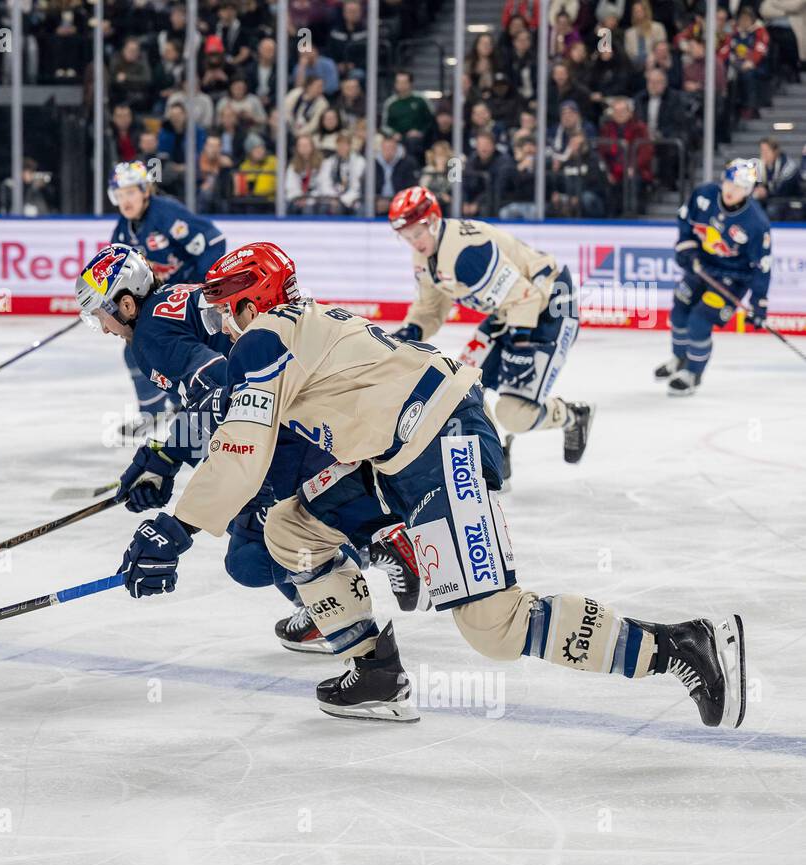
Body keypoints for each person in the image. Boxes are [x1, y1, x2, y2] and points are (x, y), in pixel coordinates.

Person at [113, 241, 746, 729]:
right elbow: (245, 431)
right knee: (290, 526)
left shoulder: (263, 340)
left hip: (444, 445)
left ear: (250, 300)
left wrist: (176, 527)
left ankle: (680, 646)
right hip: (403, 451)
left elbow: (241, 445)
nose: (221, 322)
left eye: (226, 308)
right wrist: (170, 463)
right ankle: (375, 672)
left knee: (494, 627)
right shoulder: (297, 324)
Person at [77, 243, 421, 650]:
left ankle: (372, 543)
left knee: (257, 552)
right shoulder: (167, 304)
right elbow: (208, 398)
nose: (102, 327)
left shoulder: (149, 336)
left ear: (127, 305)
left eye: (100, 314)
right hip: (303, 405)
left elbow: (220, 389)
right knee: (251, 553)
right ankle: (354, 562)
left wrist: (171, 468)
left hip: (282, 423)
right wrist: (163, 457)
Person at [388, 187, 594, 475]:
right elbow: (431, 307)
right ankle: (498, 451)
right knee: (462, 387)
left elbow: (527, 297)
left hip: (551, 305)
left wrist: (520, 346)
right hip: (514, 309)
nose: (414, 241)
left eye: (418, 231)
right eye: (406, 235)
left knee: (515, 414)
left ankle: (573, 415)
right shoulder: (426, 255)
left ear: (434, 219)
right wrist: (409, 333)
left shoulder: (466, 254)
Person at [108, 160, 225, 428]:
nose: (125, 200)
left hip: (186, 299)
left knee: (159, 349)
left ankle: (170, 411)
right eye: (119, 194)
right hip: (162, 299)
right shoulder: (123, 229)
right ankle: (168, 410)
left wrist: (203, 289)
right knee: (139, 351)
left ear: (145, 191)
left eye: (130, 192)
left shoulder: (166, 214)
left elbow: (213, 241)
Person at [655, 159, 772, 396]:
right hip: (701, 268)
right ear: (723, 180)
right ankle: (679, 359)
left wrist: (759, 303)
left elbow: (762, 265)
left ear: (748, 191)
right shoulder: (704, 195)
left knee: (699, 321)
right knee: (679, 312)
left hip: (732, 279)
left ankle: (693, 373)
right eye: (730, 183)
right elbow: (685, 221)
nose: (732, 190)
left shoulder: (756, 223)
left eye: (740, 187)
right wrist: (686, 249)